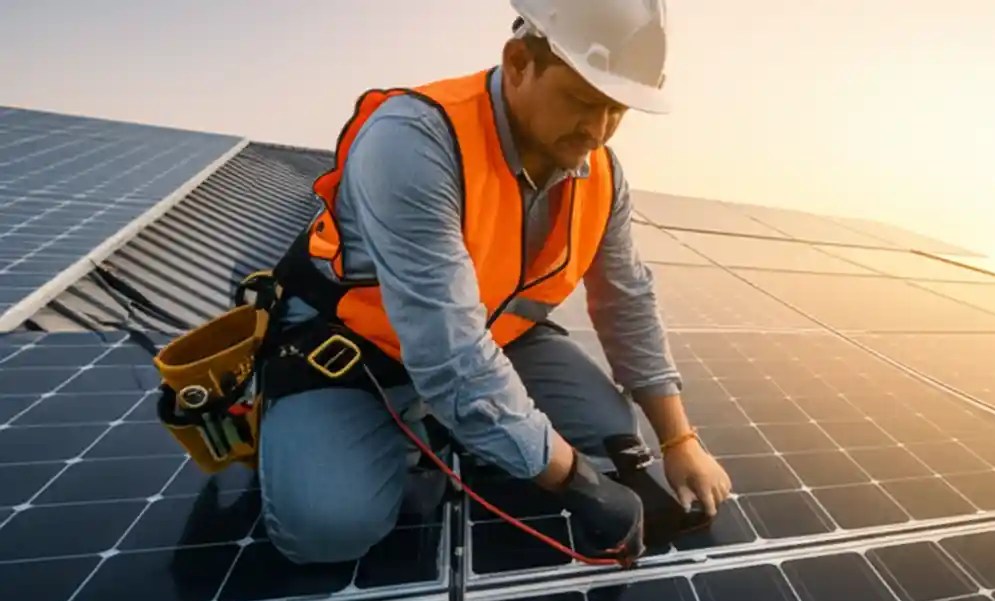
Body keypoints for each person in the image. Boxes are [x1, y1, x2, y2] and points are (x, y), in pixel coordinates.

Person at [256, 0, 733, 566]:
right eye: (582, 100)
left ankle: (474, 424)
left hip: (494, 332)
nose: (598, 130)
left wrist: (680, 441)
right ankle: (345, 427)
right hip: (358, 351)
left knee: (610, 428)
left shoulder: (603, 172)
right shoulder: (413, 141)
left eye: (617, 110)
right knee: (330, 528)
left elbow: (627, 300)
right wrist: (581, 486)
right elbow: (451, 356)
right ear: (517, 62)